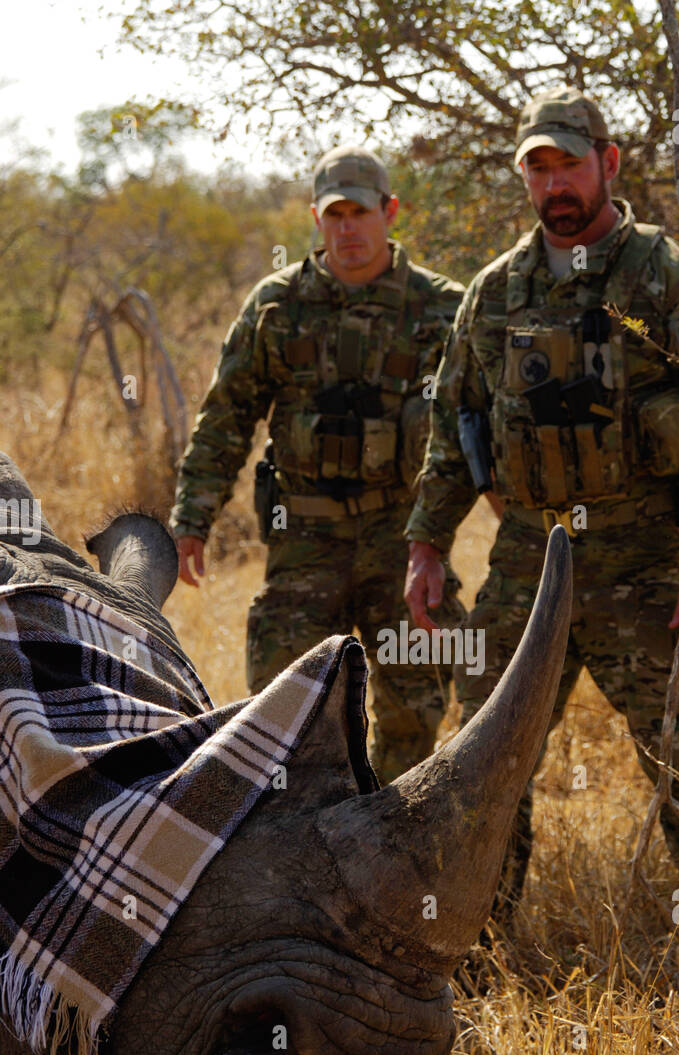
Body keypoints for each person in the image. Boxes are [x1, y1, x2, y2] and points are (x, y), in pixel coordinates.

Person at [403, 88, 679, 899]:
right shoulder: (495, 290)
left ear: (608, 164)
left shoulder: (665, 277)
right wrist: (425, 546)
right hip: (527, 559)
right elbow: (455, 426)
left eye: (570, 165)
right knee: (484, 761)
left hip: (646, 562)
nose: (555, 184)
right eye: (539, 168)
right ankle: (477, 943)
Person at [170, 146, 466, 782]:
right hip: (304, 539)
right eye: (334, 215)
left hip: (402, 538)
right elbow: (227, 414)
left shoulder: (443, 308)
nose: (347, 228)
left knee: (413, 713)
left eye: (360, 212)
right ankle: (304, 858)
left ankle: (390, 842)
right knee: (283, 717)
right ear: (315, 217)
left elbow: (481, 426)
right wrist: (192, 517)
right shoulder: (278, 305)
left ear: (390, 211)